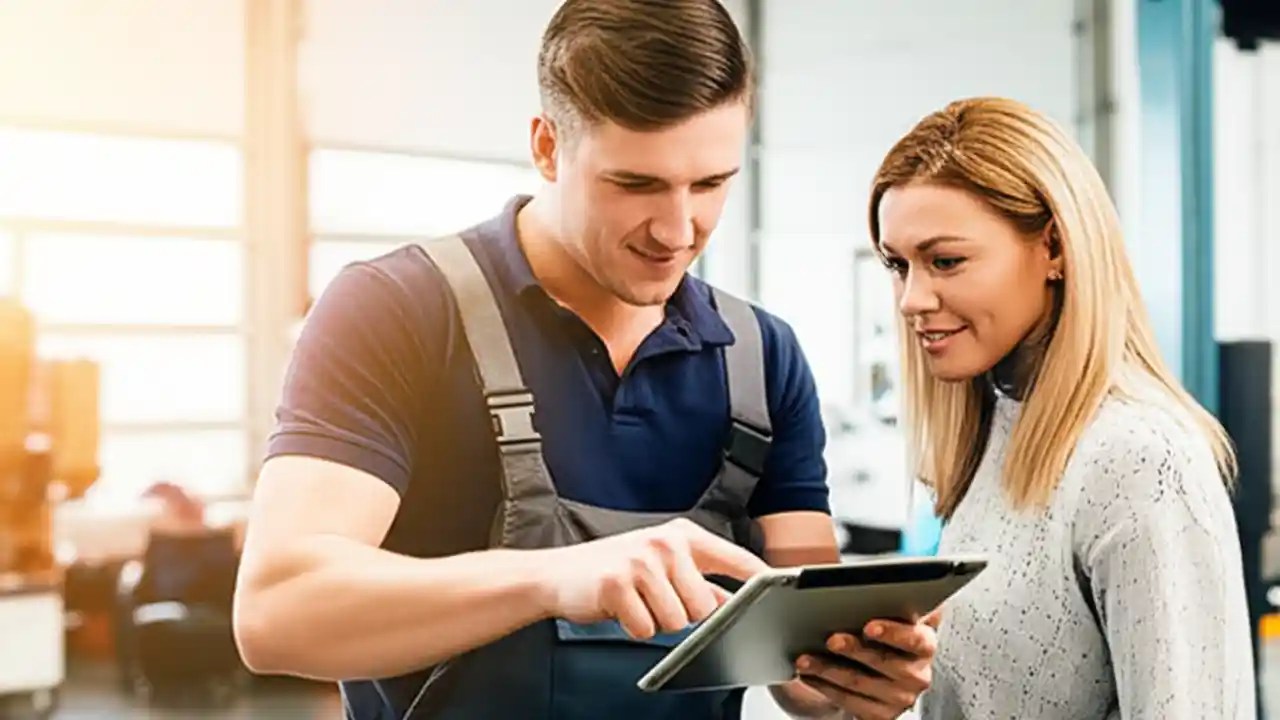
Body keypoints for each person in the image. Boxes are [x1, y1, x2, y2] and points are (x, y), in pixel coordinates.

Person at [232, 2, 937, 718]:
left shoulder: (763, 358)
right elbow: (276, 615)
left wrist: (858, 675)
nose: (677, 229)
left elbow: (803, 671)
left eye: (711, 184)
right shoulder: (396, 310)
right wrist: (554, 579)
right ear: (546, 146)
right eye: (635, 185)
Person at [867, 96, 1256, 719]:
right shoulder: (992, 429)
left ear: (1053, 248)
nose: (912, 298)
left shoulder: (1140, 459)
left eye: (945, 261)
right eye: (898, 264)